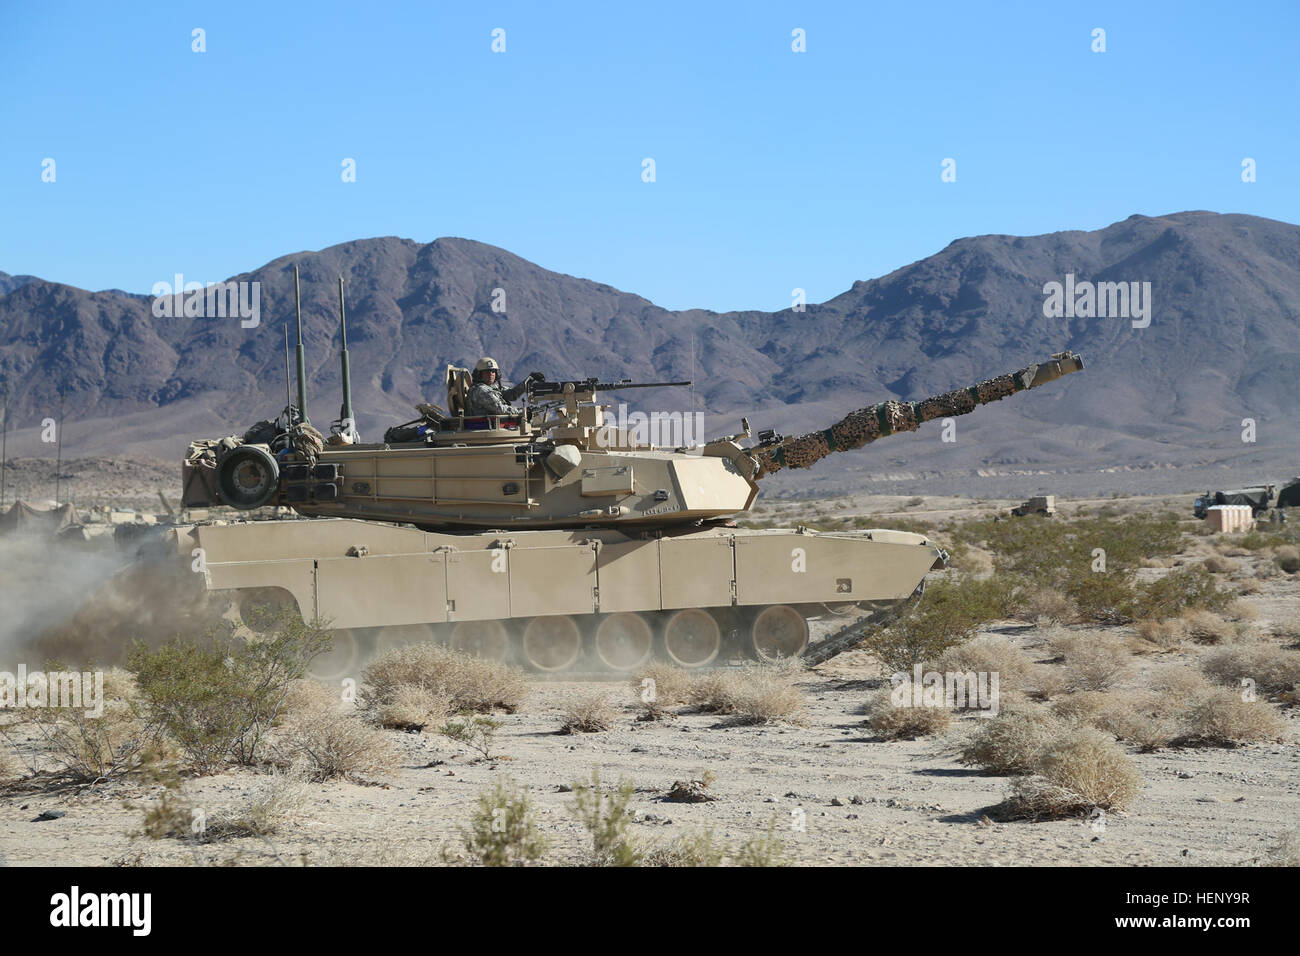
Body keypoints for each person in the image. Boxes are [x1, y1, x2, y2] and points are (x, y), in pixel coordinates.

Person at [465, 357, 543, 416]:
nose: (491, 374)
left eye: (493, 371)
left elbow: (512, 394)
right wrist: (525, 411)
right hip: (486, 427)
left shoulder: (493, 388)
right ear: (479, 374)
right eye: (487, 372)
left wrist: (529, 380)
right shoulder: (481, 390)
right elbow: (501, 409)